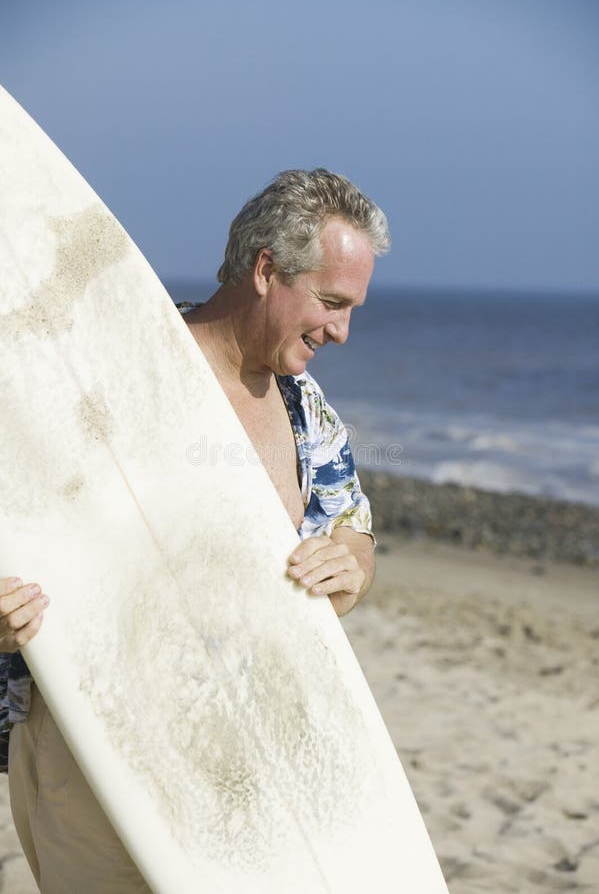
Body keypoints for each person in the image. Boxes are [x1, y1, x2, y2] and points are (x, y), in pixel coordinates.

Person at [0, 168, 389, 892]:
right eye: (330, 303)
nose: (341, 331)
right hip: (93, 748)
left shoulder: (304, 408)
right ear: (267, 269)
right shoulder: (108, 372)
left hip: (250, 748)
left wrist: (352, 564)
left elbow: (351, 524)